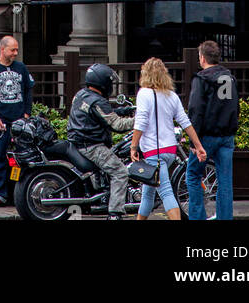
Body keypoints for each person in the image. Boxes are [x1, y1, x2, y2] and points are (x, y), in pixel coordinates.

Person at [130, 57, 206, 221]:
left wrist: (134, 146)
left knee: (165, 191)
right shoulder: (171, 95)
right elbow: (185, 122)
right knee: (148, 191)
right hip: (170, 151)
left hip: (152, 151)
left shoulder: (144, 93)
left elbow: (141, 121)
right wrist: (198, 145)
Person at [66, 62, 136, 220]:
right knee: (120, 172)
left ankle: (103, 194)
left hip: (80, 142)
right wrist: (139, 120)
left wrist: (123, 110)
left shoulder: (82, 94)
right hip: (91, 146)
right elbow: (117, 124)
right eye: (110, 82)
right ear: (103, 82)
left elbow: (99, 114)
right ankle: (115, 213)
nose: (111, 85)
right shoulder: (98, 101)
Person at [186, 39, 239, 220]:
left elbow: (196, 111)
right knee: (225, 180)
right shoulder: (229, 77)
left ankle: (197, 217)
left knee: (193, 175)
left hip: (207, 136)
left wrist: (194, 140)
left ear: (202, 58)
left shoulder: (202, 79)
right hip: (226, 136)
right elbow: (235, 106)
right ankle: (225, 217)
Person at [0, 35, 34, 208]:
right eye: (12, 50)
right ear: (2, 49)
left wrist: (26, 114)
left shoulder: (21, 68)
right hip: (1, 123)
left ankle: (20, 193)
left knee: (22, 158)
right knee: (0, 157)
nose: (15, 53)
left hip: (19, 122)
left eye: (17, 49)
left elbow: (28, 90)